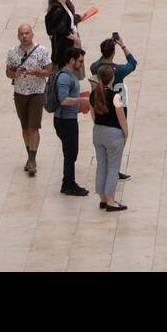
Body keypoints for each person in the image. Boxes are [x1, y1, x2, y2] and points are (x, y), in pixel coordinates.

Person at [5, 23, 51, 176]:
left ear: (32, 34)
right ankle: (30, 156)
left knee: (34, 127)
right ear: (18, 36)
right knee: (25, 127)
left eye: (27, 33)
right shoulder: (13, 52)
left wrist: (36, 72)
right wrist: (15, 74)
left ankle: (32, 160)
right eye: (21, 34)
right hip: (20, 93)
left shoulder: (42, 51)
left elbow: (48, 71)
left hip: (36, 92)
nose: (24, 36)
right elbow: (8, 72)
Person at [89, 34, 136, 180]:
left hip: (101, 102)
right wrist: (122, 45)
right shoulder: (119, 70)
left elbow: (96, 63)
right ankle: (115, 169)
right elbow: (133, 63)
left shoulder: (96, 67)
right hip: (117, 102)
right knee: (119, 136)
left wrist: (105, 52)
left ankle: (107, 168)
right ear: (113, 52)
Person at [90, 65, 129, 212]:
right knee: (113, 167)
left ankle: (102, 198)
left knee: (101, 165)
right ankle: (111, 200)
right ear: (112, 78)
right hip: (113, 134)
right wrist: (125, 134)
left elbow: (93, 116)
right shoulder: (116, 96)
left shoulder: (93, 95)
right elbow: (122, 119)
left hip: (98, 131)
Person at [53, 46, 89, 196]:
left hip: (69, 118)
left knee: (71, 153)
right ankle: (68, 184)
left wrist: (79, 107)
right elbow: (63, 100)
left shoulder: (71, 75)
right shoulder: (64, 77)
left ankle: (68, 182)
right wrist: (81, 100)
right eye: (80, 61)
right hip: (65, 121)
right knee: (70, 153)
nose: (81, 64)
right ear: (71, 60)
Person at [45, 0, 92, 67]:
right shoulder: (57, 9)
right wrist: (76, 39)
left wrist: (79, 17)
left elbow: (69, 17)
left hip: (71, 39)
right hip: (65, 45)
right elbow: (61, 29)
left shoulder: (65, 2)